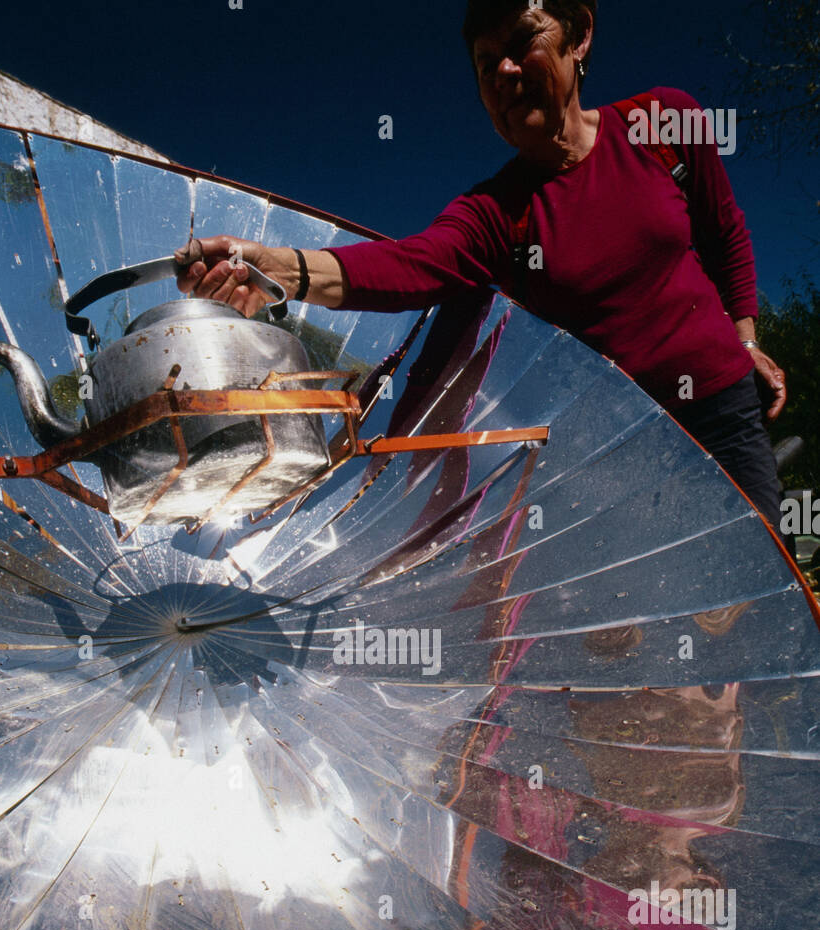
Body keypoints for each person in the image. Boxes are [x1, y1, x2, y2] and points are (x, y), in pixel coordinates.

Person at [175, 0, 791, 550]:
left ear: (579, 35)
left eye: (523, 42)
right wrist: (277, 267)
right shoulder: (496, 214)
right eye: (485, 63)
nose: (503, 72)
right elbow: (410, 265)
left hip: (720, 410)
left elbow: (725, 233)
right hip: (608, 446)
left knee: (758, 591)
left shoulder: (662, 122)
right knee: (639, 623)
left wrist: (746, 340)